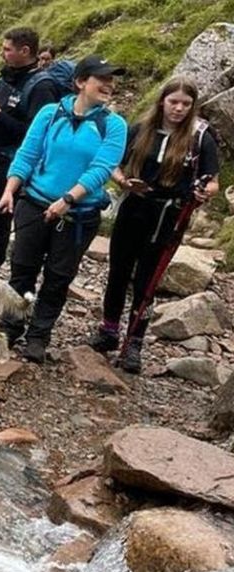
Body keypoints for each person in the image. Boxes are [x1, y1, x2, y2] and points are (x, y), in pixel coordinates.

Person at [0, 55, 128, 363]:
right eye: (102, 79)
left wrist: (68, 199)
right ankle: (11, 325)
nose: (109, 85)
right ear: (81, 82)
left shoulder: (114, 125)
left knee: (58, 277)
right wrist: (9, 189)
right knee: (22, 268)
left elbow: (102, 168)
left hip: (78, 215)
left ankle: (39, 336)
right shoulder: (50, 113)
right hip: (34, 202)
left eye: (111, 80)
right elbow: (27, 154)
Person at [88, 77, 221, 373]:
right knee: (118, 270)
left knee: (147, 281)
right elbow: (115, 163)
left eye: (185, 104)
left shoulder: (200, 138)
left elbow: (213, 181)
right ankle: (109, 329)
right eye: (174, 102)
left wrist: (204, 192)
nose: (179, 109)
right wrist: (123, 182)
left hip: (168, 216)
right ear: (162, 101)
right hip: (134, 206)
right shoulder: (140, 130)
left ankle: (134, 341)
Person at [0, 27, 60, 276]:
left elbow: (37, 135)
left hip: (11, 160)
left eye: (8, 49)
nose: (2, 53)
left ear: (25, 51)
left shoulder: (42, 87)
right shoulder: (5, 77)